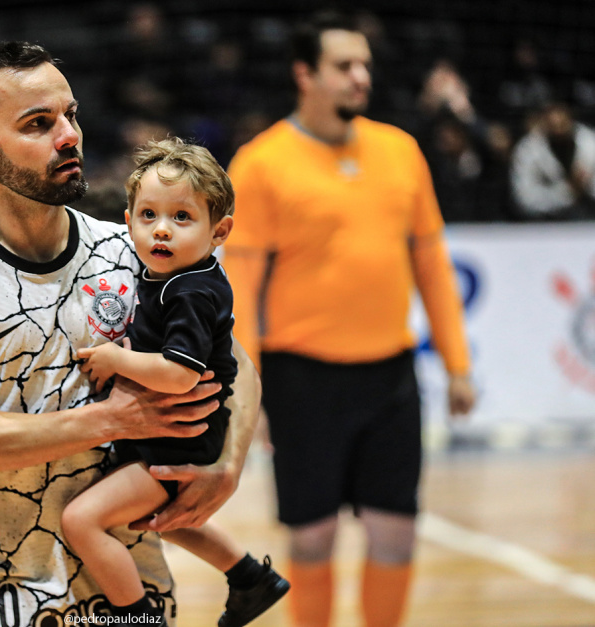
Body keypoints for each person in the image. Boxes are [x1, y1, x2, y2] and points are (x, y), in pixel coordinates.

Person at [0, 40, 261, 626]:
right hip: (7, 596)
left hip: (134, 603)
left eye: (71, 115)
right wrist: (112, 421)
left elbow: (235, 365)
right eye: (39, 124)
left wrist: (227, 463)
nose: (68, 135)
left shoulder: (133, 250)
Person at [222, 12, 476, 627]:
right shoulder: (260, 164)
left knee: (397, 535)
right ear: (304, 74)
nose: (361, 77)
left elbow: (433, 266)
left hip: (390, 376)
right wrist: (245, 391)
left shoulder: (401, 152)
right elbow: (239, 290)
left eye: (364, 64)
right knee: (312, 539)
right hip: (301, 379)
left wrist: (458, 364)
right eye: (344, 66)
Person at [63, 137, 289, 625]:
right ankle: (250, 576)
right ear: (128, 221)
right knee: (160, 520)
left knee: (81, 521)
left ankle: (137, 619)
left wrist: (115, 360)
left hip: (179, 444)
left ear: (219, 231)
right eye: (149, 216)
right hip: (174, 441)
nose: (161, 230)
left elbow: (180, 374)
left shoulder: (191, 290)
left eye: (181, 218)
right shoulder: (172, 275)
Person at [510, 101, 595, 220]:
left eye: (562, 123)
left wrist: (585, 184)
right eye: (552, 123)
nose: (557, 123)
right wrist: (567, 191)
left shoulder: (589, 142)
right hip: (543, 222)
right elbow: (525, 198)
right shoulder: (528, 150)